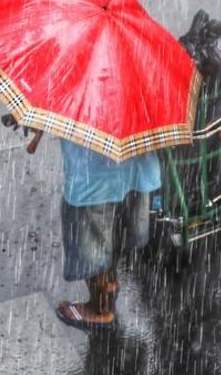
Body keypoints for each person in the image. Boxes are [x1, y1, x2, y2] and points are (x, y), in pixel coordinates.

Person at [55, 140, 160, 330]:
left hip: (93, 176)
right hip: (137, 167)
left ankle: (100, 309)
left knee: (92, 241)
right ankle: (109, 282)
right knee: (119, 227)